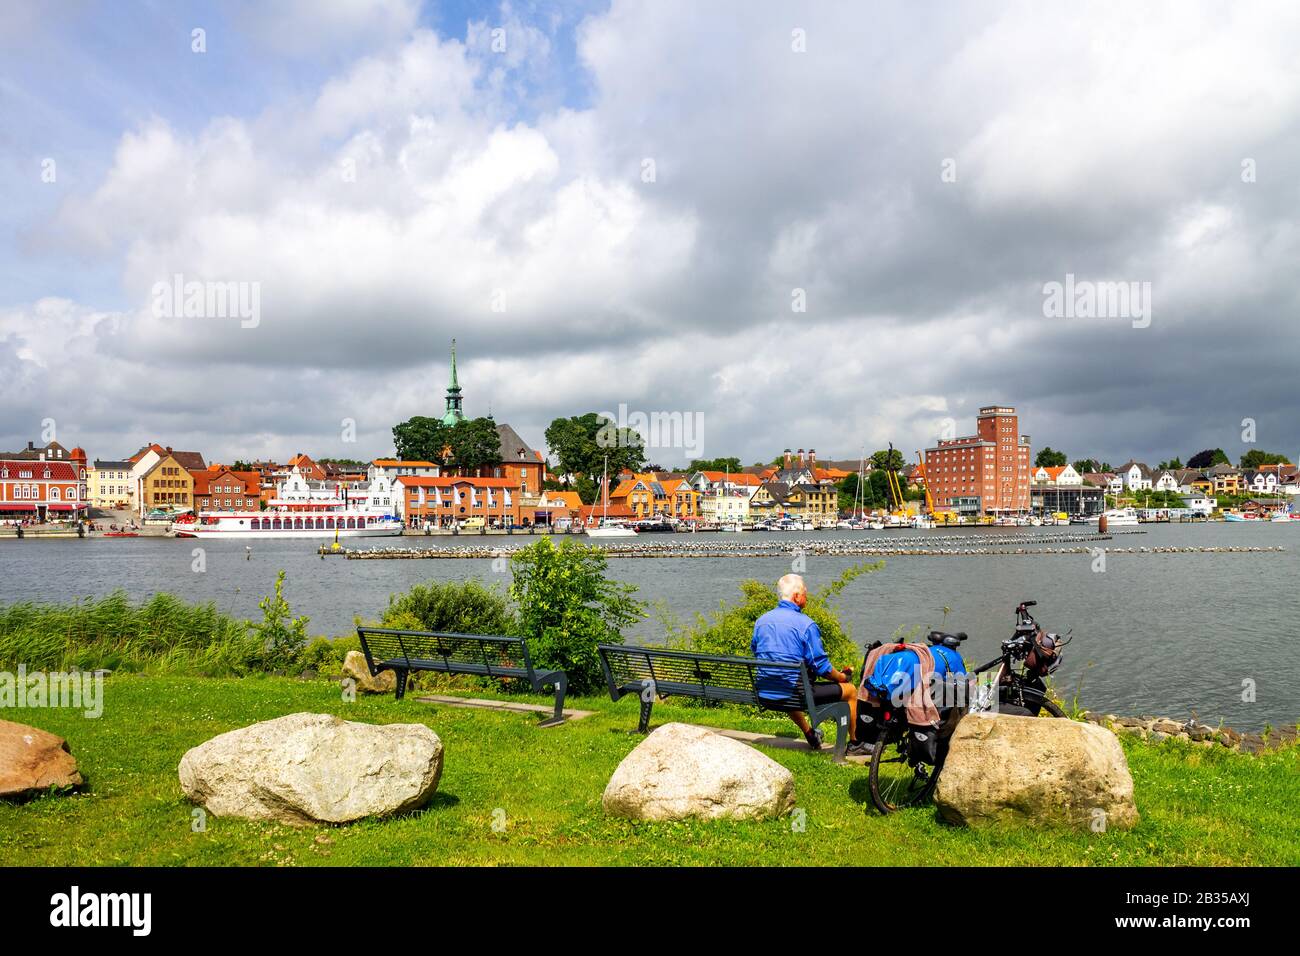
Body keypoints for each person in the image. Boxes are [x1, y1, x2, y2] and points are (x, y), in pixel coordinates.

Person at [750, 574, 857, 750]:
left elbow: (756, 651)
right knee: (851, 691)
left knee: (789, 682)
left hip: (765, 692)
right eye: (805, 594)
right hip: (794, 694)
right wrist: (842, 677)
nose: (807, 597)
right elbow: (821, 667)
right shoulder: (806, 624)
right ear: (796, 597)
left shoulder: (762, 621)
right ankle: (855, 743)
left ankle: (810, 734)